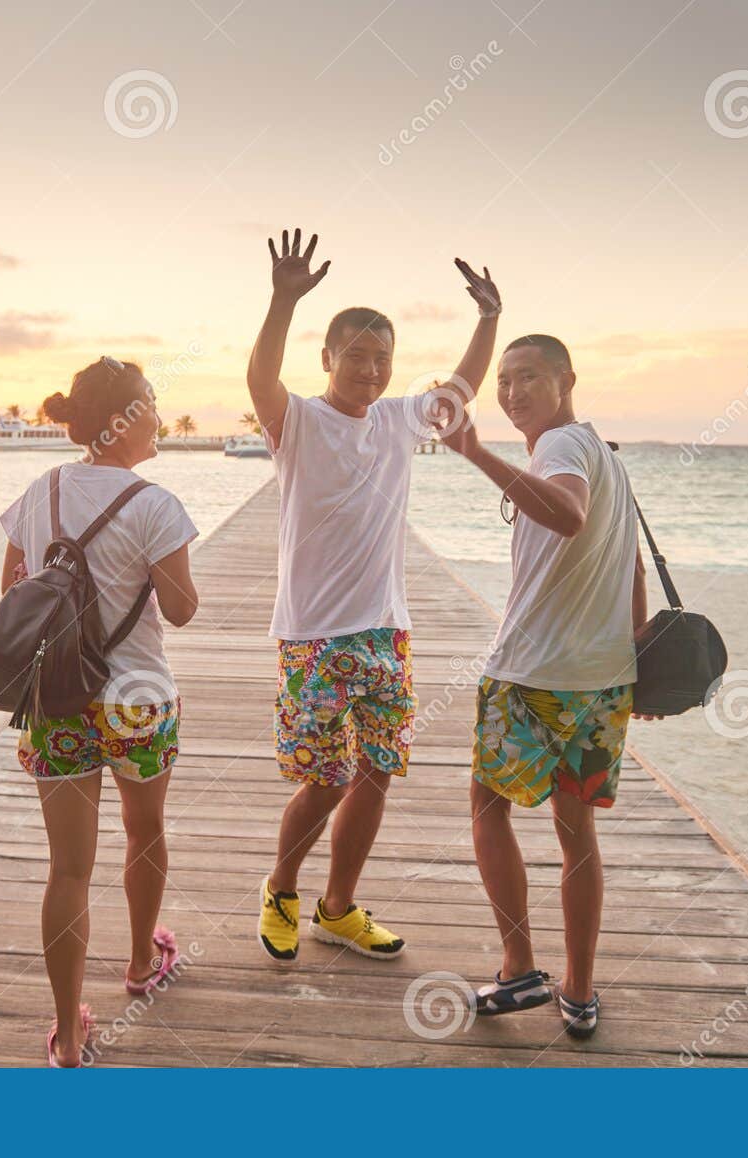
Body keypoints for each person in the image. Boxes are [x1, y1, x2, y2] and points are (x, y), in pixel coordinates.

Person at [248, 227, 502, 962]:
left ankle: (338, 906)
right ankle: (283, 889)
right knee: (323, 780)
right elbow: (260, 376)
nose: (370, 369)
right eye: (356, 356)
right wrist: (281, 299)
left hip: (386, 629)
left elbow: (459, 389)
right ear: (327, 359)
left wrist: (487, 319)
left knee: (378, 772)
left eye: (383, 359)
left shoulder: (398, 420)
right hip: (314, 633)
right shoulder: (296, 420)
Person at [436, 333, 657, 1037]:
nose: (511, 392)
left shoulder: (560, 448)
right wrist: (637, 664)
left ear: (566, 379)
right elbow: (633, 574)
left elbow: (566, 515)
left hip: (531, 675)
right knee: (577, 832)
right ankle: (580, 992)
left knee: (485, 808)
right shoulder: (605, 455)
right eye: (504, 380)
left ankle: (519, 965)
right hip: (598, 681)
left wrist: (474, 454)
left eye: (529, 376)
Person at [0, 356, 200, 1067]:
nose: (158, 414)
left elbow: (14, 591)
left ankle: (70, 1036)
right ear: (124, 419)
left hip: (59, 700)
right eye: (150, 402)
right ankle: (143, 962)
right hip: (138, 696)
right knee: (145, 833)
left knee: (68, 870)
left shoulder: (41, 491)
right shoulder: (155, 504)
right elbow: (180, 609)